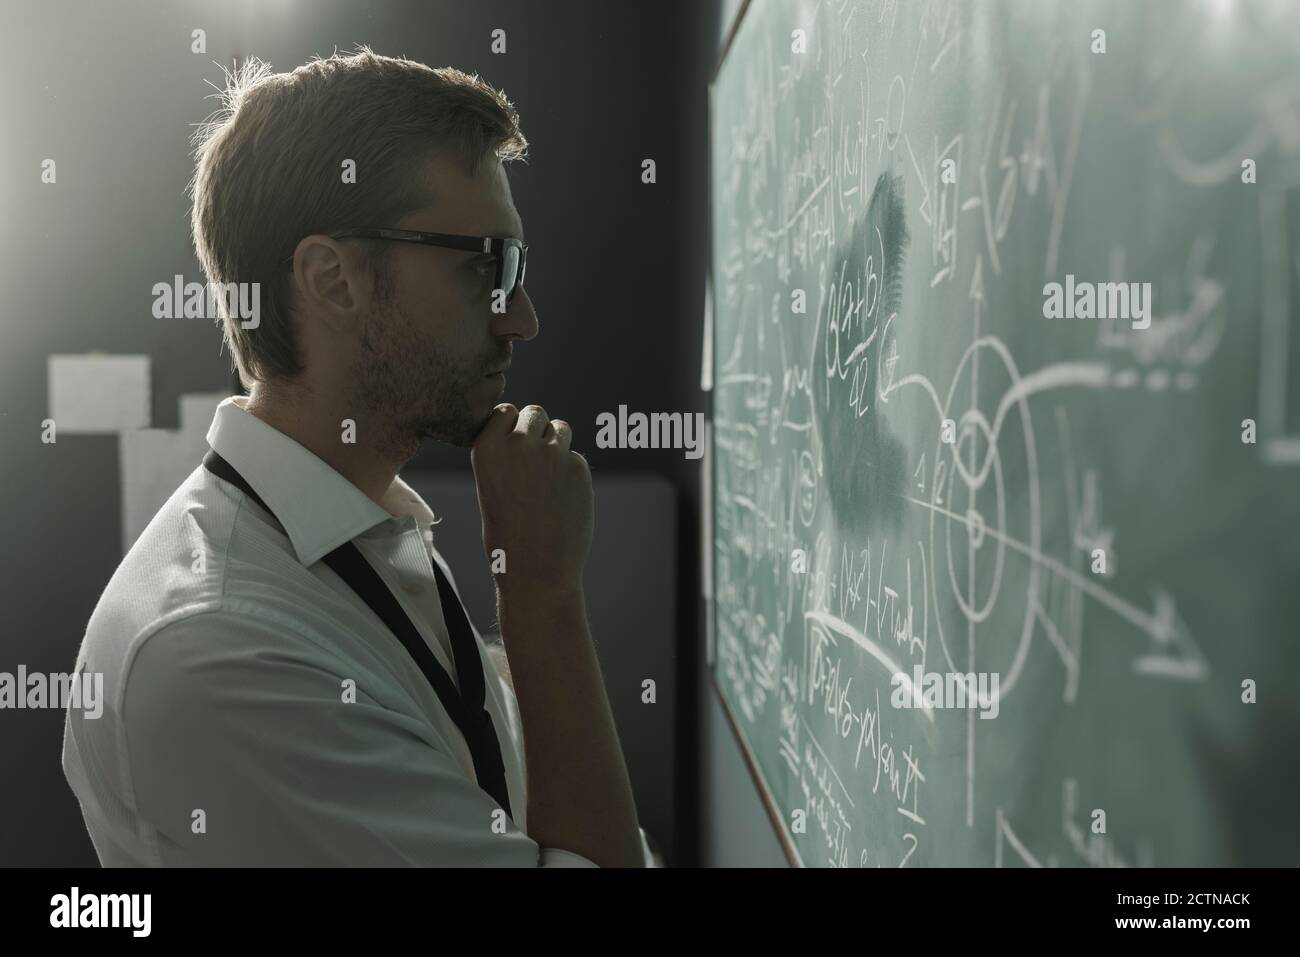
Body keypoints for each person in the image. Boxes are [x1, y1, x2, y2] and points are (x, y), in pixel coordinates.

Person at [61, 47, 650, 867]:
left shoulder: (361, 525)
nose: (521, 318)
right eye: (489, 266)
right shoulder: (219, 648)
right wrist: (544, 593)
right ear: (334, 280)